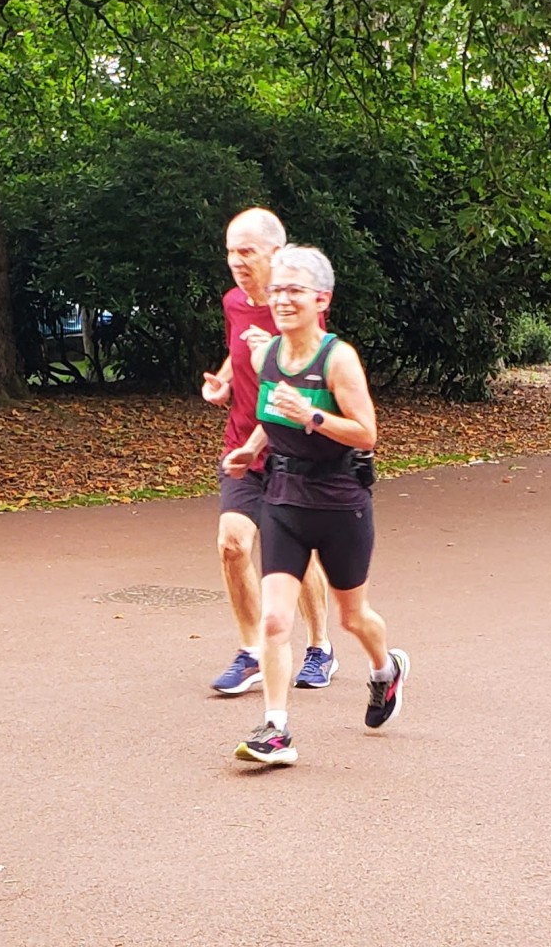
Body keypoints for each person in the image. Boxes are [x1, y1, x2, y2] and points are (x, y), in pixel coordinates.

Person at [223, 244, 409, 765]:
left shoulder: (338, 357)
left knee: (354, 618)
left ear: (320, 298)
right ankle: (275, 730)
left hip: (339, 501)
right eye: (276, 289)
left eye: (294, 290)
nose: (282, 299)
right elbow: (270, 412)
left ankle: (384, 670)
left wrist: (312, 415)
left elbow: (367, 432)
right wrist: (252, 448)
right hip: (282, 496)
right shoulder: (268, 355)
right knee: (277, 622)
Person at [202, 208, 337, 696]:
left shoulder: (297, 308)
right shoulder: (234, 302)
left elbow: (311, 374)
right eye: (231, 253)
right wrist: (223, 381)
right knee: (233, 543)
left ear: (276, 254)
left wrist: (274, 349)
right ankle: (252, 652)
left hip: (290, 447)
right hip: (241, 444)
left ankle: (321, 647)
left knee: (295, 554)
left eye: (247, 252)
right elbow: (240, 351)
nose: (237, 262)